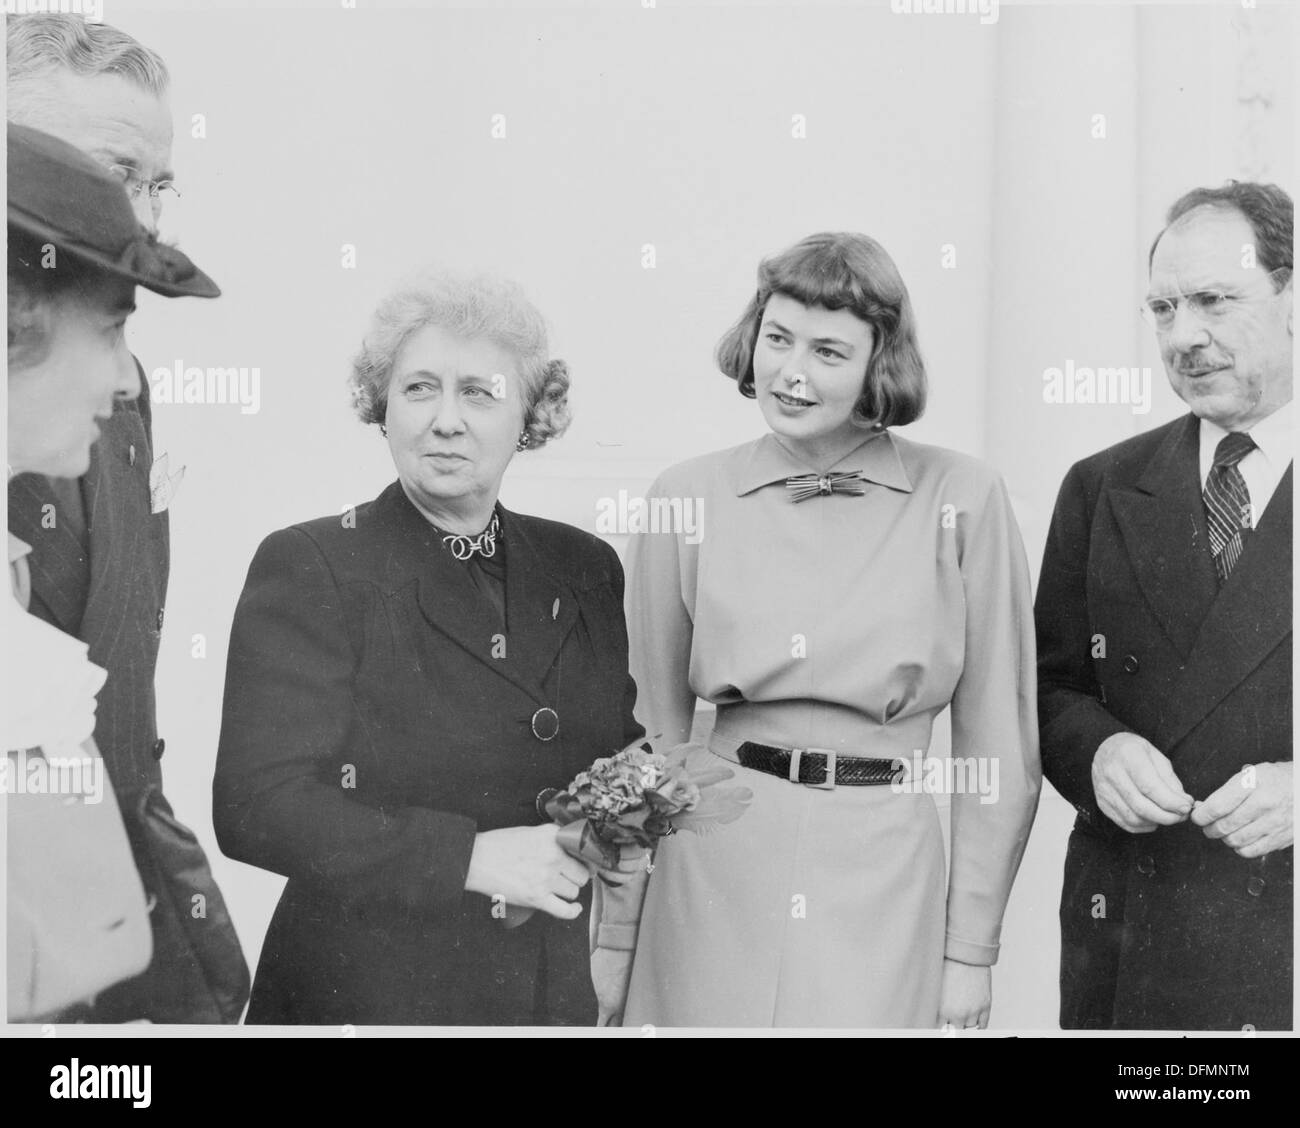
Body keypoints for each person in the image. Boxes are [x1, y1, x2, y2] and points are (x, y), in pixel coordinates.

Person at [616, 232, 1041, 1028]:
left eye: (829, 351)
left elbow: (999, 753)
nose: (792, 372)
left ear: (881, 366)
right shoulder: (686, 494)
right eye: (777, 339)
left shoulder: (965, 497)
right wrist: (617, 937)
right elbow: (648, 732)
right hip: (710, 865)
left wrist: (968, 954)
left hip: (884, 873)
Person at [213, 269, 644, 1025]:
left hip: (542, 997)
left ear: (530, 415)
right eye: (419, 390)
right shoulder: (316, 563)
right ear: (382, 407)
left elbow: (616, 752)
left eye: (479, 392)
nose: (446, 420)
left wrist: (635, 817)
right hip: (367, 993)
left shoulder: (584, 566)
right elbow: (256, 806)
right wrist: (469, 859)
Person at [5, 13, 250, 1024]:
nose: (145, 219)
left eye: (157, 183)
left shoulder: (116, 386)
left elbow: (119, 685)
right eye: (115, 174)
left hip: (115, 901)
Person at [1037, 183, 1293, 1031]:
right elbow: (1049, 689)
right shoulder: (1102, 485)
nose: (1183, 337)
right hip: (1132, 935)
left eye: (1214, 301)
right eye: (1162, 308)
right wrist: (1098, 752)